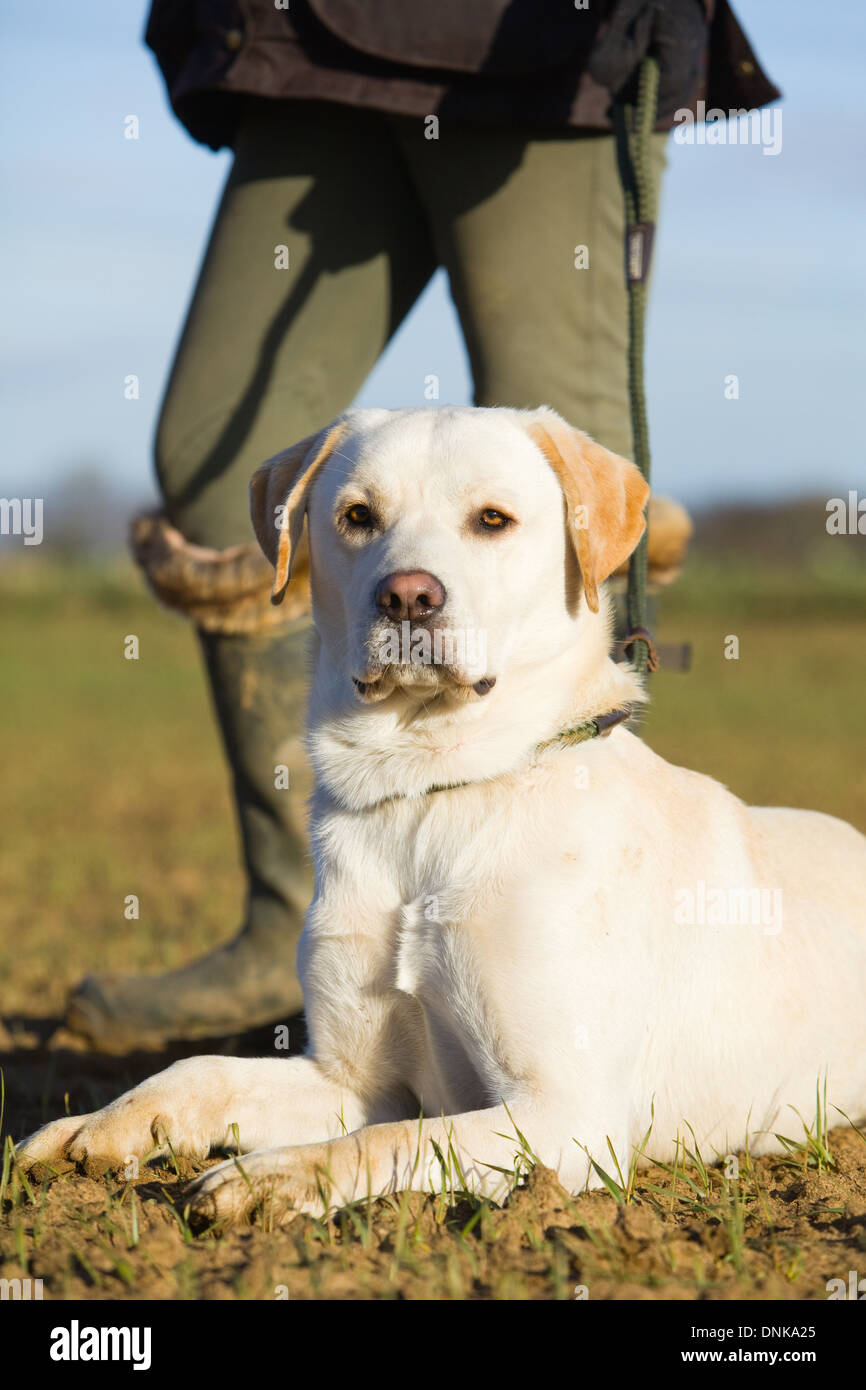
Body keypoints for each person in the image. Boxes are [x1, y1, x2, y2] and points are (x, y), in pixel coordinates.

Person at [65, 1, 778, 1048]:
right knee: (218, 458)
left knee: (570, 467)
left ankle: (583, 939)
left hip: (546, 52)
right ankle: (306, 923)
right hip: (312, 49)